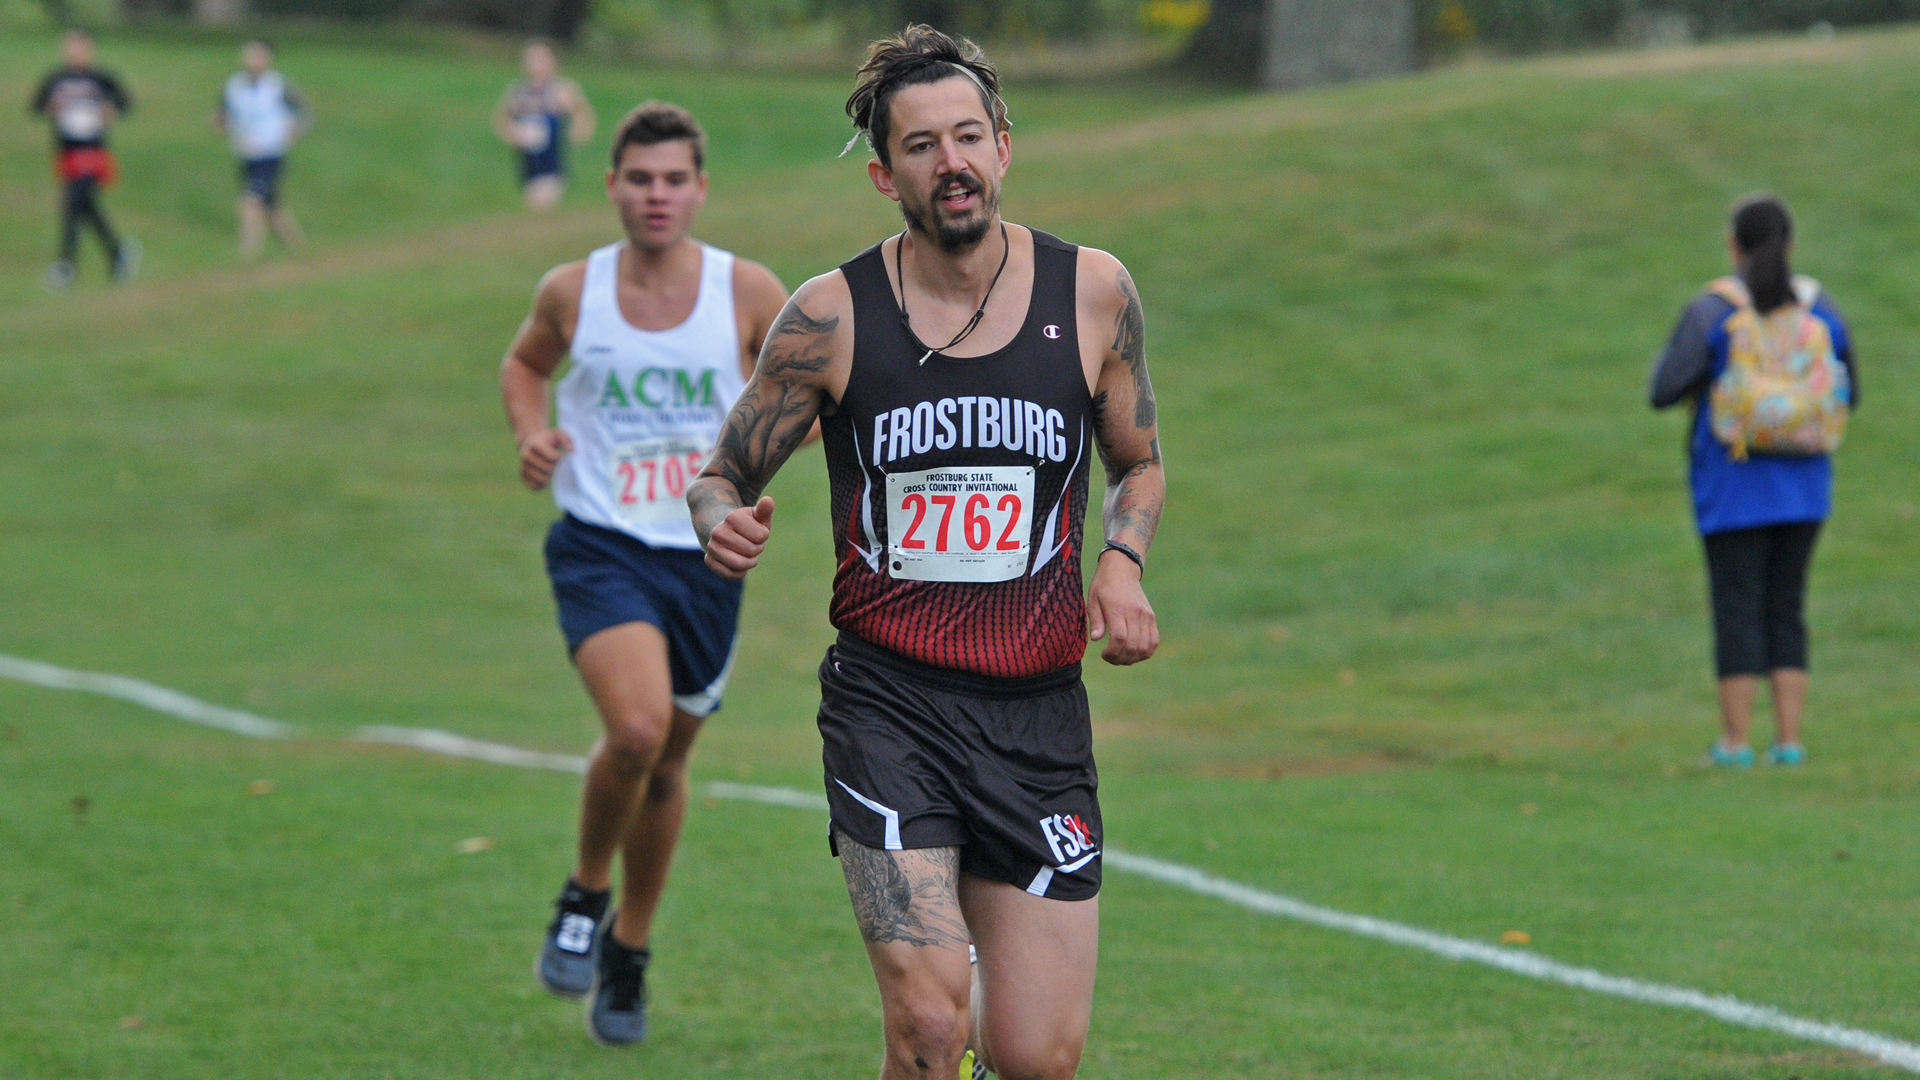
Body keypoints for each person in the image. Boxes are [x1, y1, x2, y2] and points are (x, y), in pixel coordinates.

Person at [689, 26, 1164, 1080]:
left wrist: (1122, 563)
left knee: (1036, 1057)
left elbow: (1139, 463)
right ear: (882, 172)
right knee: (929, 1027)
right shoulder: (829, 316)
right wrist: (715, 518)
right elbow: (723, 473)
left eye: (966, 136)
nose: (949, 161)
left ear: (1003, 146)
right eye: (920, 145)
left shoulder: (1092, 294)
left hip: (1038, 718)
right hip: (888, 707)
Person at [499, 101, 789, 1046]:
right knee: (635, 726)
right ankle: (584, 893)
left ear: (700, 189)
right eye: (639, 178)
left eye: (674, 180)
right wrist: (531, 433)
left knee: (666, 763)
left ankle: (629, 949)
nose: (656, 196)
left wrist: (757, 469)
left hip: (706, 556)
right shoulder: (571, 291)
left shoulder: (747, 292)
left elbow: (803, 399)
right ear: (612, 185)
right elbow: (523, 366)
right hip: (601, 543)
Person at [1650, 194, 1857, 768]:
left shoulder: (1713, 310)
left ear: (1732, 244)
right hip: (1806, 487)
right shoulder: (1822, 307)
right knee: (1786, 607)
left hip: (1732, 487)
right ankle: (1789, 743)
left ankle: (1736, 744)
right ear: (1790, 243)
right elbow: (1850, 393)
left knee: (1737, 607)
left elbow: (1662, 390)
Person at [30, 28, 138, 290]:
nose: (75, 52)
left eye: (80, 46)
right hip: (67, 151)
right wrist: (51, 107)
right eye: (70, 46)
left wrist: (110, 110)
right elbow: (37, 106)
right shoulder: (56, 78)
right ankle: (119, 253)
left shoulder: (101, 78)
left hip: (93, 151)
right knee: (86, 206)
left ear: (89, 50)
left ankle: (66, 265)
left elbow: (125, 103)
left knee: (73, 203)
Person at [215, 40, 309, 259]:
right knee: (271, 206)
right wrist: (220, 122)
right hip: (247, 154)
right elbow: (222, 113)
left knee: (251, 201)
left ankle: (248, 252)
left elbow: (303, 112)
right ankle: (298, 247)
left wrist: (295, 129)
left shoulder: (277, 85)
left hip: (271, 153)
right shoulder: (234, 86)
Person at [494, 42, 596, 211]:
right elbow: (502, 116)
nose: (537, 67)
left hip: (551, 159)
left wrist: (578, 131)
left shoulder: (561, 90)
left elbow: (582, 112)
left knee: (544, 201)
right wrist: (512, 133)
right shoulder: (519, 92)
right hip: (528, 159)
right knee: (532, 200)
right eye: (532, 61)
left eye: (542, 61)